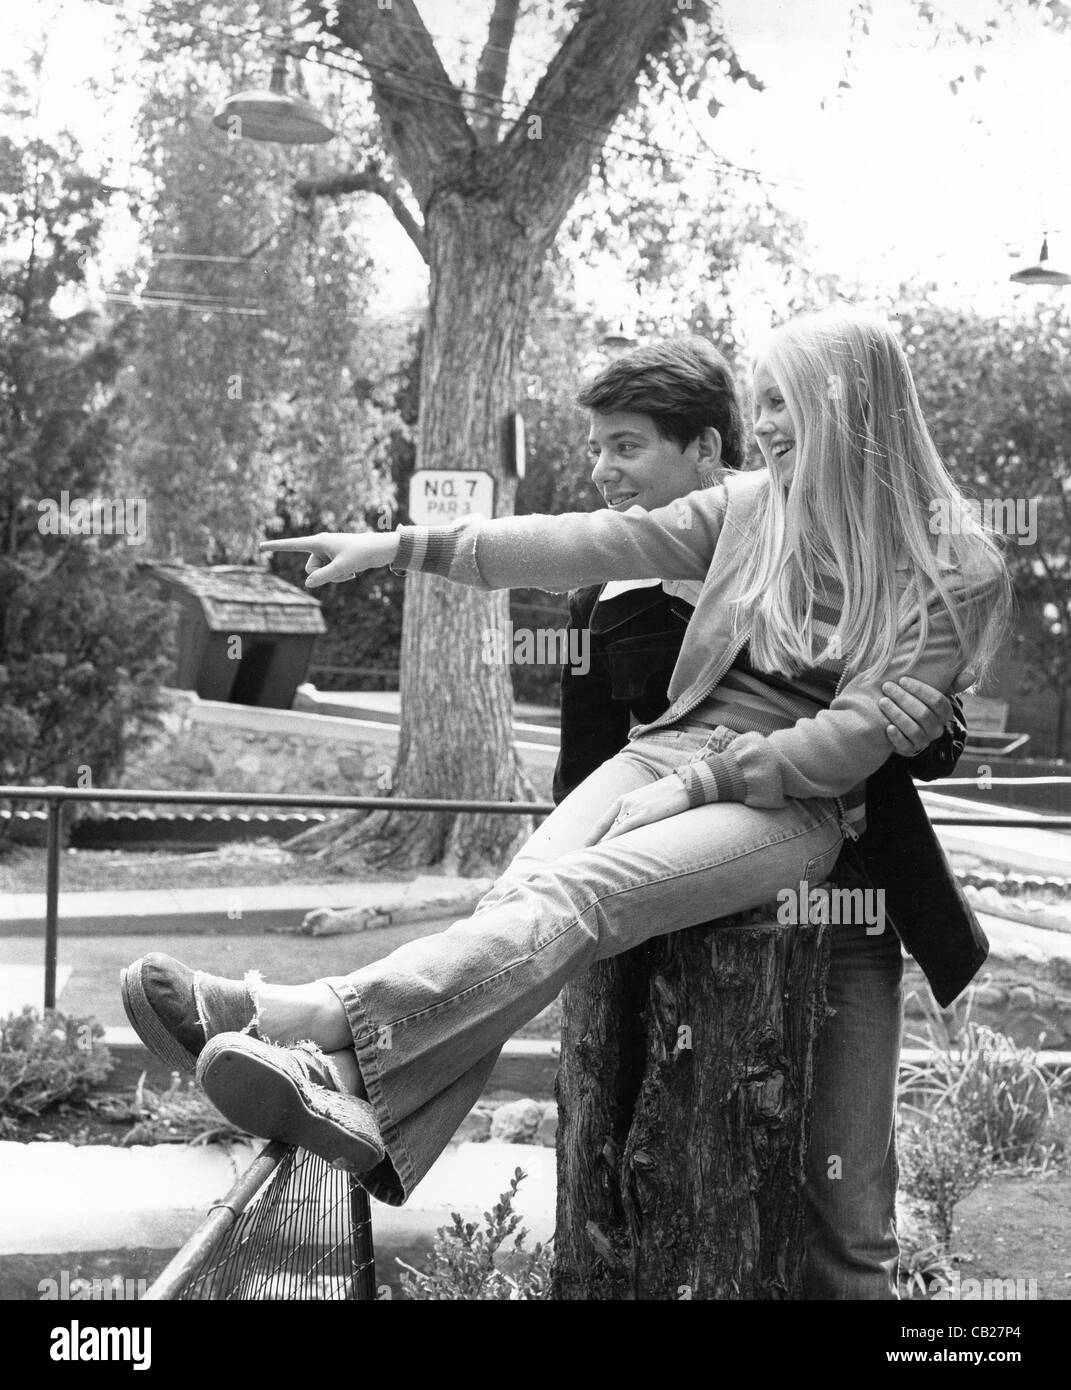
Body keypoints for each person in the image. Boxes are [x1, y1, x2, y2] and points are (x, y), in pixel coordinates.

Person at [120, 311, 1010, 1274]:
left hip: (792, 806)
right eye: (761, 404)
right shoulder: (753, 507)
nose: (769, 425)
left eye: (785, 401)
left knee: (584, 902)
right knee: (529, 880)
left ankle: (310, 1017)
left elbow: (858, 736)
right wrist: (405, 547)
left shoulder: (952, 564)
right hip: (669, 752)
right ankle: (353, 1092)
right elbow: (583, 541)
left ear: (852, 407)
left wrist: (704, 782)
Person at [552, 336, 973, 1300]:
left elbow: (911, 731)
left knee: (848, 1212)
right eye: (596, 450)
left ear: (709, 452)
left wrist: (923, 726)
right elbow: (589, 773)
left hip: (847, 907)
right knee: (658, 1184)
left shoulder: (824, 550)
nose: (604, 472)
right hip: (688, 925)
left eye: (627, 447)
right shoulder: (602, 605)